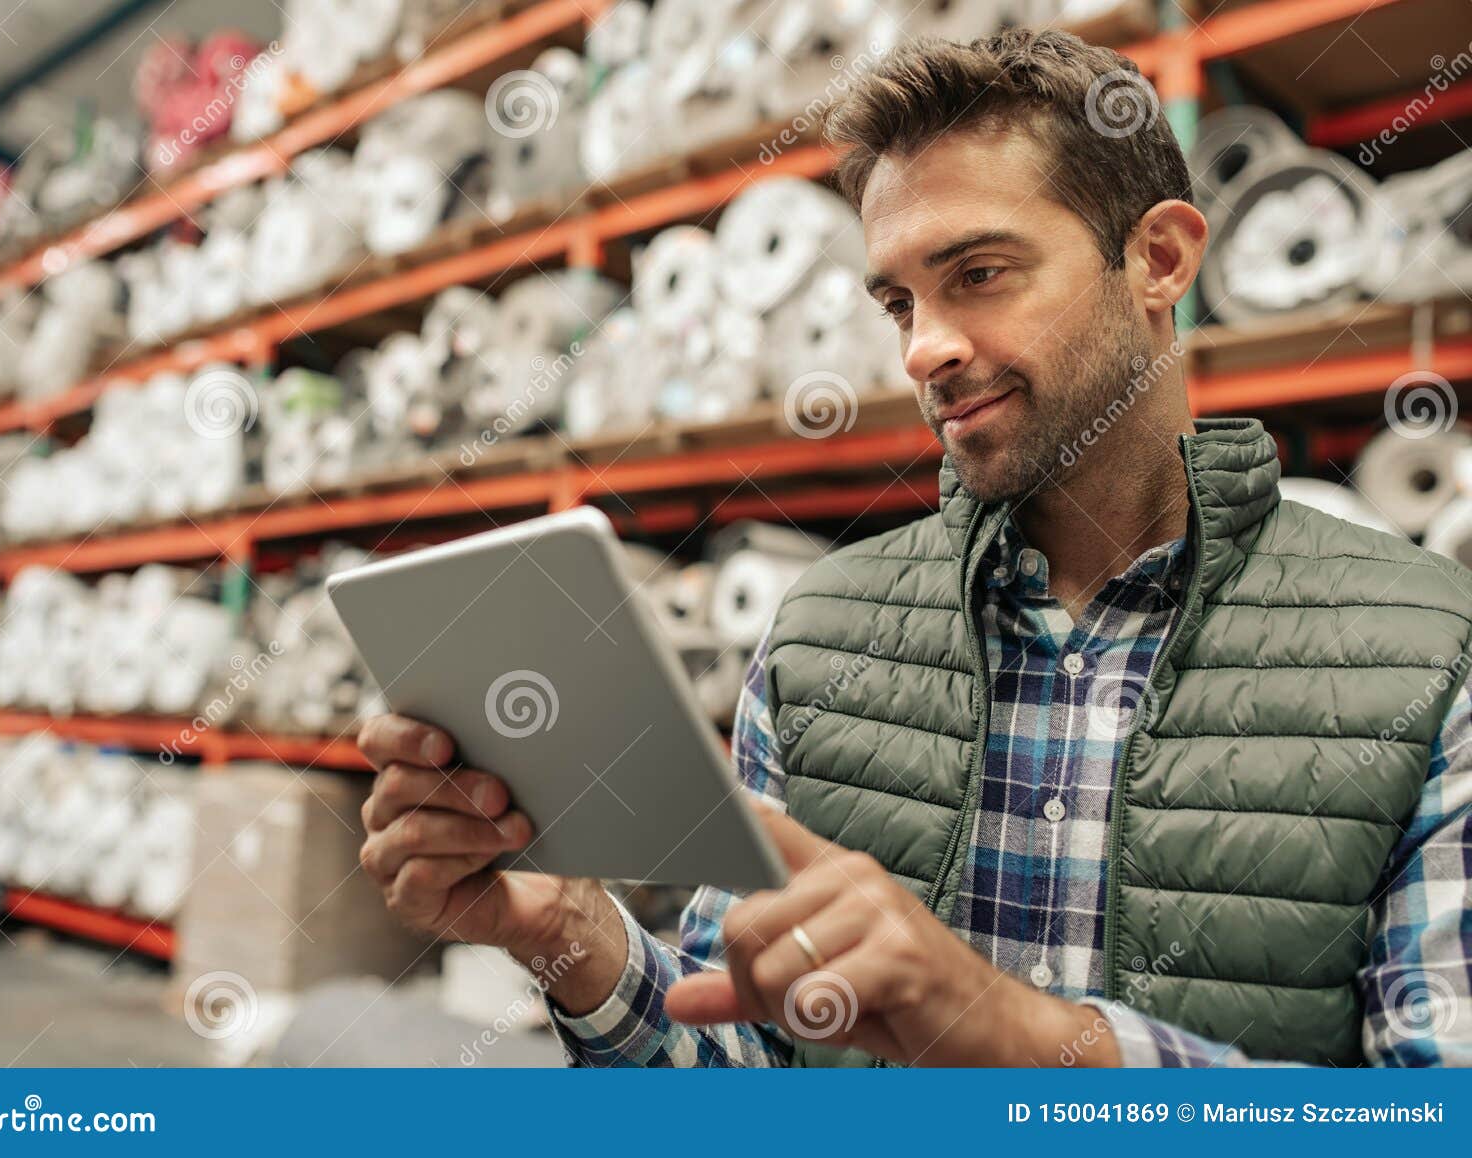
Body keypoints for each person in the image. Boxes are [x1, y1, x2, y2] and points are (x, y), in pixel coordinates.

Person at [356, 28, 1472, 1067]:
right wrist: (566, 929)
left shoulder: (1424, 655)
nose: (923, 351)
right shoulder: (818, 640)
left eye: (978, 274)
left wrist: (1019, 1034)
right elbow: (742, 1076)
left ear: (1161, 259)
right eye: (898, 303)